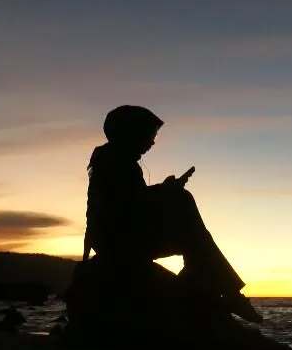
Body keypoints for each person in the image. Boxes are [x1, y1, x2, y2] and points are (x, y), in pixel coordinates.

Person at [83, 105, 261, 323]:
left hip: (118, 239)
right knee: (189, 219)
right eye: (149, 135)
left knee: (190, 222)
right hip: (120, 243)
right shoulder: (116, 162)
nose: (152, 142)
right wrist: (166, 191)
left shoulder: (111, 159)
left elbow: (130, 200)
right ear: (132, 133)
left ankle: (219, 294)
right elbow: (128, 207)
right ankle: (222, 294)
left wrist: (163, 189)